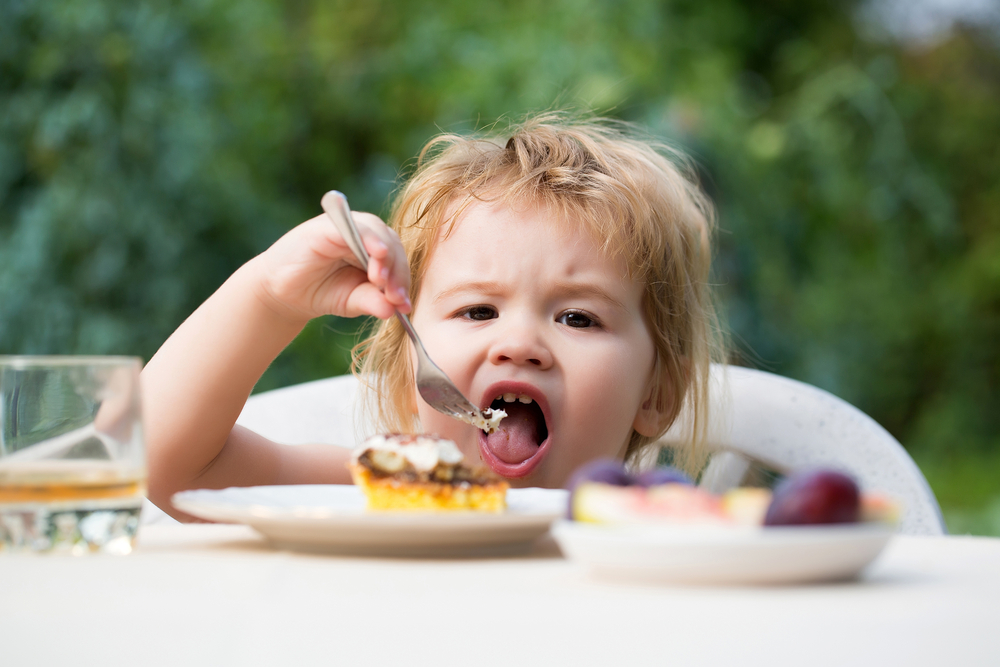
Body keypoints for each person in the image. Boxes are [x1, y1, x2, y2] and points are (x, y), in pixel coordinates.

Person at [142, 111, 725, 520]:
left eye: (578, 319)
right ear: (406, 372)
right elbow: (164, 465)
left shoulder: (658, 529)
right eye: (478, 309)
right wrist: (269, 296)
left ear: (659, 392)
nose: (519, 343)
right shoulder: (384, 495)